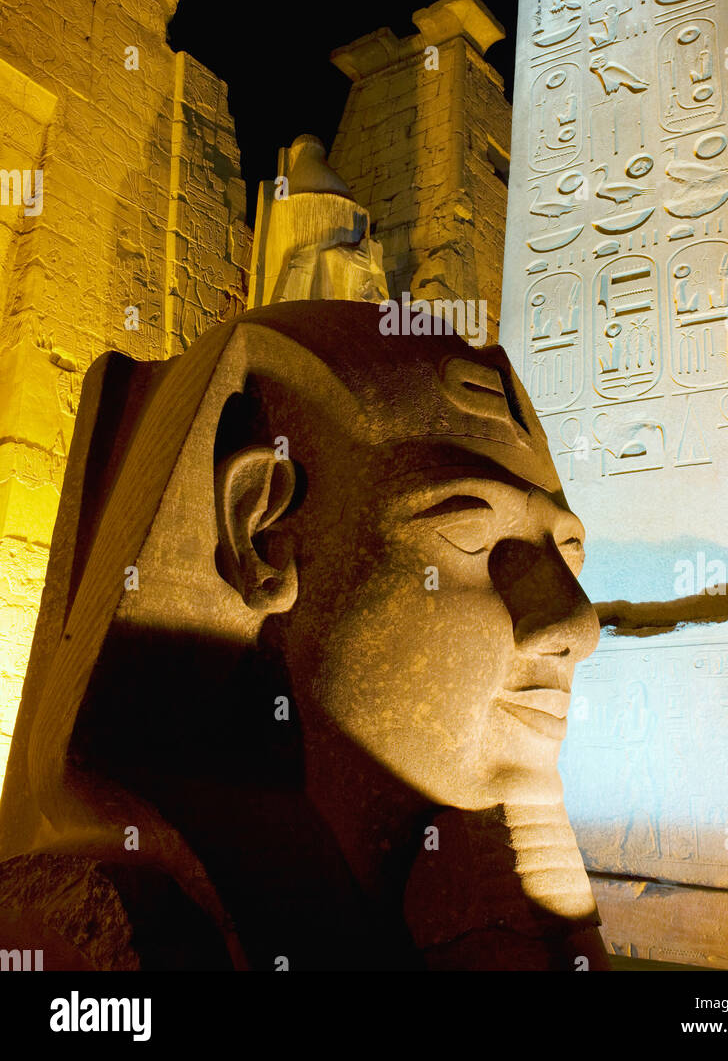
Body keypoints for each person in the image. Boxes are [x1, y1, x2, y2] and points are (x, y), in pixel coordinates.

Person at [0, 301, 608, 971]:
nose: (576, 627)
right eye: (470, 534)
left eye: (568, 552)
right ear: (259, 534)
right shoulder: (81, 935)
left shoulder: (457, 888)